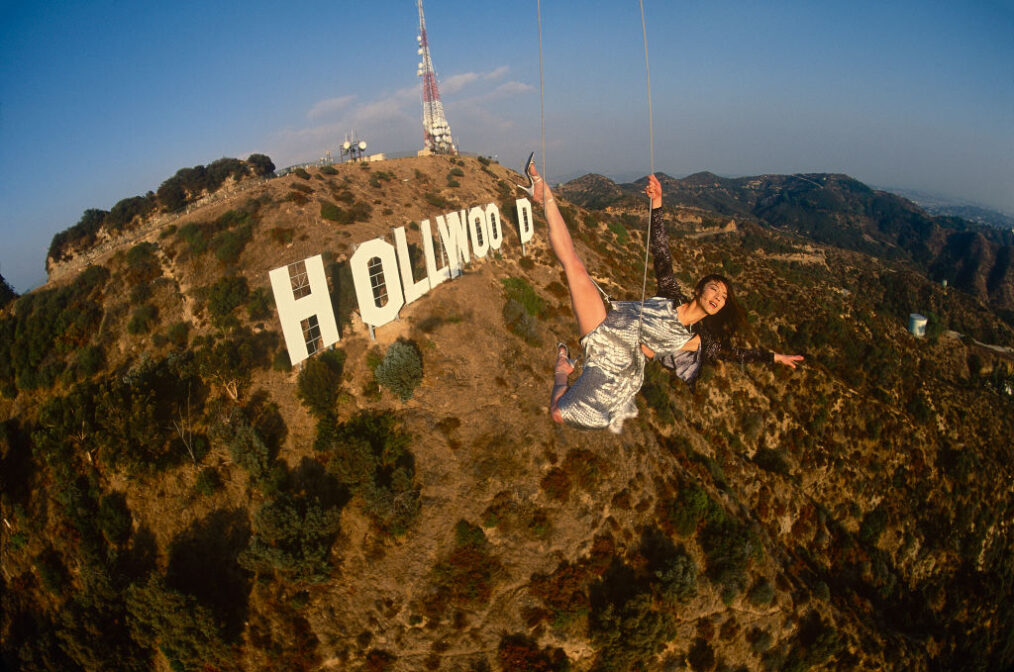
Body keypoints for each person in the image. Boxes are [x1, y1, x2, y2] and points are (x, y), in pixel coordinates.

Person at [526, 161, 804, 432]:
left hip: (620, 371)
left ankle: (561, 368)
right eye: (714, 288)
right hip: (606, 327)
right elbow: (661, 251)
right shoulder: (670, 295)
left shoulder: (696, 339)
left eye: (723, 297)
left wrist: (775, 357)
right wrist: (657, 203)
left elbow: (736, 354)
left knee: (559, 413)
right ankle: (544, 195)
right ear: (699, 289)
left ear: (720, 309)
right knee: (575, 266)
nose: (718, 296)